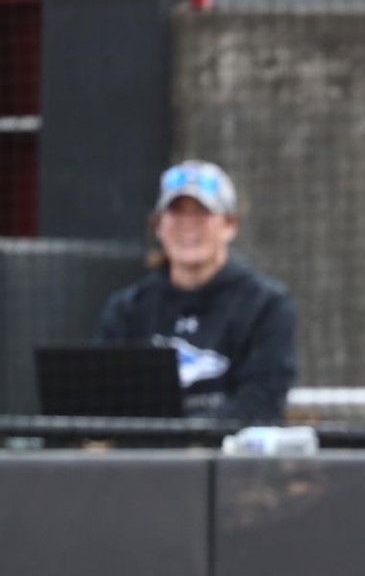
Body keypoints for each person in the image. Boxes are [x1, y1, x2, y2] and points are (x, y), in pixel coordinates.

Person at [96, 160, 298, 423]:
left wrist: (191, 437)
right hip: (145, 458)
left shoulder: (267, 305)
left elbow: (261, 401)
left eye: (202, 214)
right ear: (158, 225)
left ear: (229, 225)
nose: (188, 226)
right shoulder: (127, 308)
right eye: (177, 213)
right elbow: (101, 400)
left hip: (227, 459)